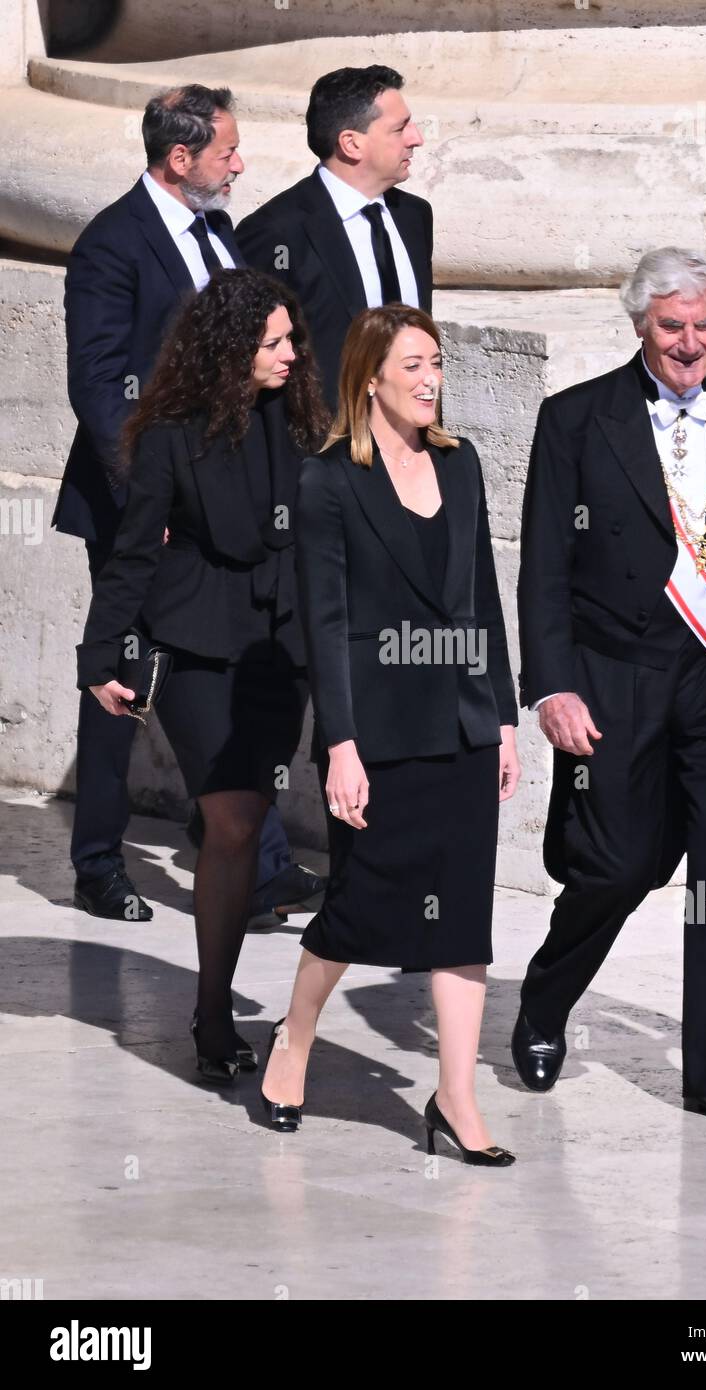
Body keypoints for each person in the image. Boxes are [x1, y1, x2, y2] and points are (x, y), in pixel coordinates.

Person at [513, 247, 706, 1125]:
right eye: (671, 326)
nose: (690, 343)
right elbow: (544, 567)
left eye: (704, 325)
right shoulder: (575, 418)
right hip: (618, 676)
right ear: (640, 325)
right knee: (618, 864)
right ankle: (544, 999)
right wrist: (551, 688)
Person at [54, 83, 322, 924]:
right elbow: (99, 388)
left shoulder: (221, 234)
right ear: (180, 158)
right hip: (145, 506)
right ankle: (98, 860)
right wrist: (154, 495)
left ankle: (251, 858)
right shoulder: (111, 245)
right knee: (123, 677)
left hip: (228, 504)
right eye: (226, 151)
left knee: (239, 671)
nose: (239, 163)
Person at [260, 305, 520, 1165]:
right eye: (412, 364)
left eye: (436, 361)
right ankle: (294, 1042)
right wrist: (339, 744)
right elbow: (325, 625)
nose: (429, 377)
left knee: (463, 918)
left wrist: (506, 717)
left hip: (462, 724)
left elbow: (482, 595)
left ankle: (456, 1097)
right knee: (360, 903)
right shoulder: (328, 481)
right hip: (377, 731)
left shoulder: (464, 462)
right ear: (370, 375)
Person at [75, 269, 330, 1079]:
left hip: (278, 649)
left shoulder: (300, 423)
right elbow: (132, 552)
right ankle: (213, 1013)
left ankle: (220, 992)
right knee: (226, 823)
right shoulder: (168, 433)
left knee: (250, 820)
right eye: (272, 343)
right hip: (195, 646)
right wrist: (99, 653)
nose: (290, 355)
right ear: (229, 351)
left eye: (292, 339)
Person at [236, 65, 431, 408]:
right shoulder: (276, 231)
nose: (417, 138)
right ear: (351, 143)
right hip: (324, 447)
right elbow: (251, 362)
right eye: (400, 128)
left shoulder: (414, 216)